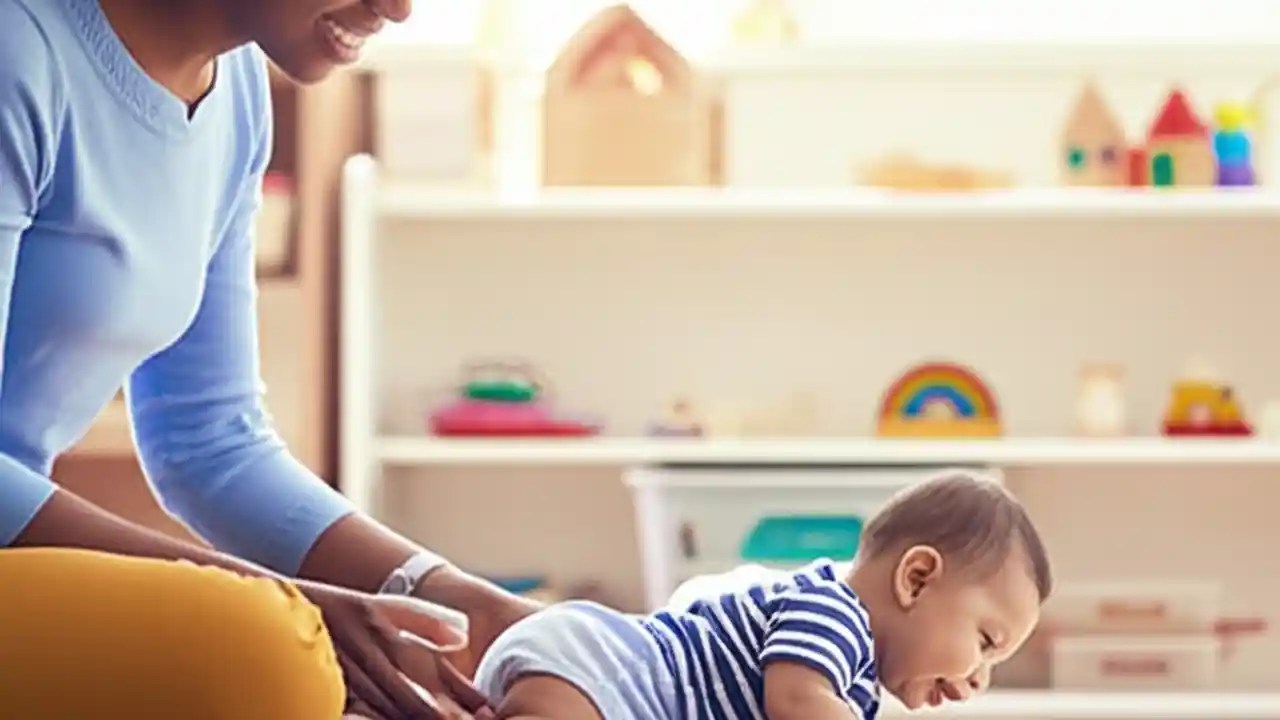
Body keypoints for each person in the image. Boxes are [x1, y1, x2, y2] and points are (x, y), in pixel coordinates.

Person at [0, 0, 539, 717]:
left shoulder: (239, 92)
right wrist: (291, 607)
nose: (400, 8)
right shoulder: (19, 50)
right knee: (267, 653)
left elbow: (211, 441)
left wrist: (439, 588)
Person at [473, 471, 1054, 719]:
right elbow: (795, 702)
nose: (978, 679)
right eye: (984, 641)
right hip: (605, 674)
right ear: (917, 578)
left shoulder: (853, 678)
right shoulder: (834, 612)